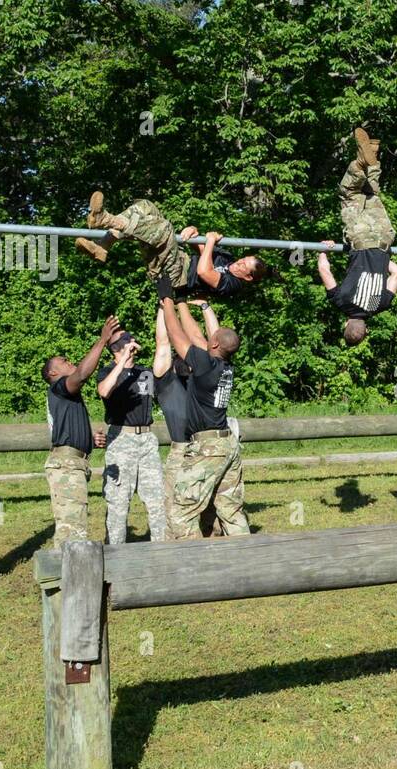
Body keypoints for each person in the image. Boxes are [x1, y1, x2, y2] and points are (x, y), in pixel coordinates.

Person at [158, 283, 250, 539]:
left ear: (214, 345)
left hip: (208, 448)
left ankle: (194, 566)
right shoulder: (223, 364)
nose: (208, 337)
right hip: (227, 444)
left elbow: (178, 336)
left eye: (212, 337)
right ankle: (248, 560)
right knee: (230, 510)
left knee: (181, 512)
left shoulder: (206, 364)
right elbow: (199, 336)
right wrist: (183, 302)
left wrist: (166, 299)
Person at [75, 192, 268, 300]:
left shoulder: (232, 285)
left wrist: (209, 241)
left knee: (164, 228)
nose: (239, 263)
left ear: (249, 278)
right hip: (177, 259)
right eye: (242, 259)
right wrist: (195, 233)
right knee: (146, 206)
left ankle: (105, 219)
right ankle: (103, 246)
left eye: (244, 266)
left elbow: (203, 271)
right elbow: (201, 251)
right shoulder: (227, 258)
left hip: (177, 277)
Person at [318, 128, 397, 346]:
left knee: (371, 196)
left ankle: (373, 162)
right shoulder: (341, 302)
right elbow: (324, 271)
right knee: (349, 194)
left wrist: (381, 259)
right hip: (361, 237)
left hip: (383, 239)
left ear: (366, 330)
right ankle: (359, 163)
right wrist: (323, 251)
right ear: (346, 325)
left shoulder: (380, 304)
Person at [40, 315, 120, 548]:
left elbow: (65, 430)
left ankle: (64, 579)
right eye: (63, 361)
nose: (69, 361)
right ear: (53, 374)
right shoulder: (59, 387)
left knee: (73, 526)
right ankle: (63, 582)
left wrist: (90, 440)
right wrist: (103, 340)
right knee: (71, 531)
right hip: (66, 465)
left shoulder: (67, 396)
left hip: (72, 462)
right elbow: (82, 374)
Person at [153, 300, 223, 538]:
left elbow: (213, 342)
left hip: (203, 448)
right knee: (175, 508)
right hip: (181, 451)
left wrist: (204, 307)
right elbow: (163, 342)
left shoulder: (201, 376)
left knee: (210, 508)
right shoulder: (165, 378)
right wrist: (164, 306)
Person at [97, 328, 167, 543]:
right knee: (118, 501)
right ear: (115, 347)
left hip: (146, 440)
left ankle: (162, 550)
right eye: (127, 338)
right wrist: (122, 362)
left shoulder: (145, 372)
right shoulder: (106, 371)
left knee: (157, 500)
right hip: (121, 440)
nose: (132, 340)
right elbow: (103, 391)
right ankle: (116, 553)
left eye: (131, 336)